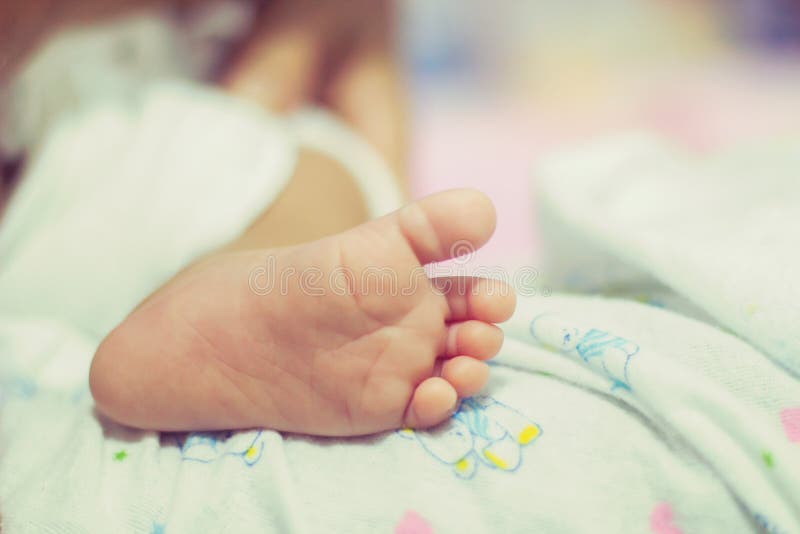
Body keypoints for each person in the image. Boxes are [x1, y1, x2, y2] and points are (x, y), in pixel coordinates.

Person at [0, 0, 515, 436]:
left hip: (93, 151)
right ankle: (227, 291)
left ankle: (213, 308)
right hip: (61, 122)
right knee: (317, 173)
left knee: (319, 173)